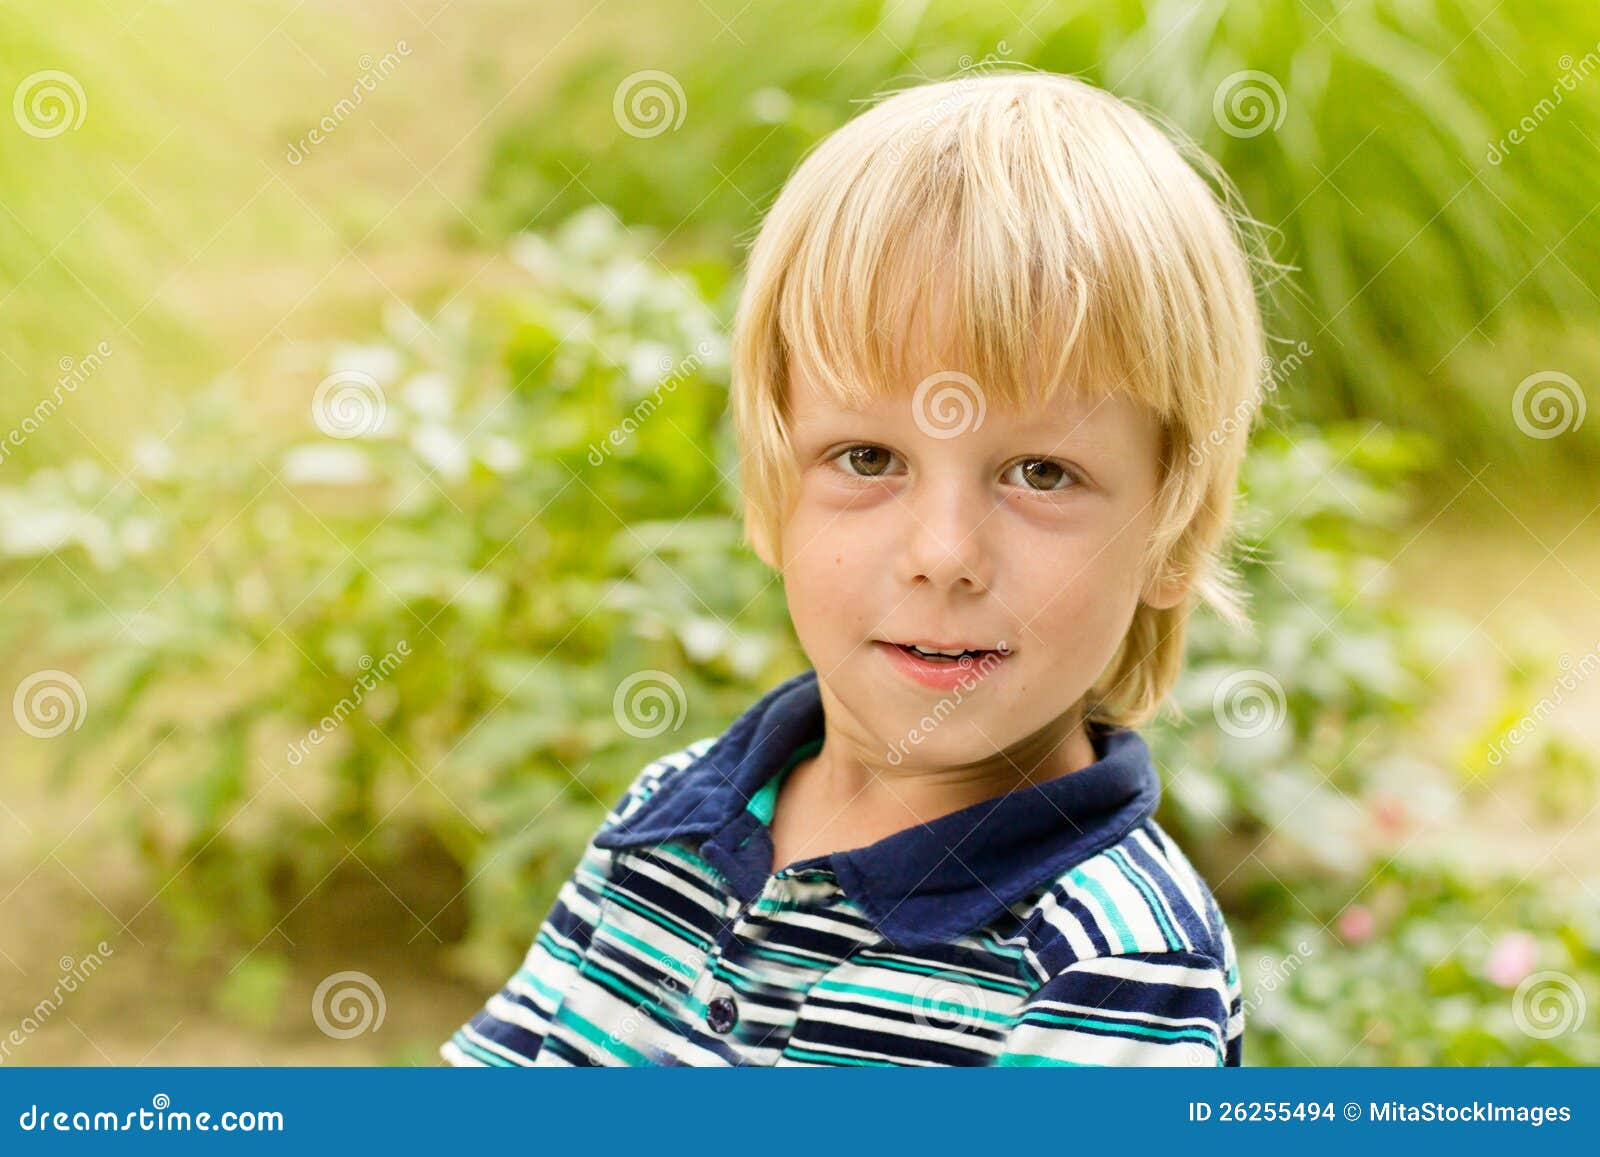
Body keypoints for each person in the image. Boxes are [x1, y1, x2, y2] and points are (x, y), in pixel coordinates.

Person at [442, 67, 1270, 1066]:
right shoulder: (666, 828)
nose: (943, 555)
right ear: (770, 491)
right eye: (868, 459)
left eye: (1039, 472)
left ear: (1171, 530)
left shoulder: (1115, 962)